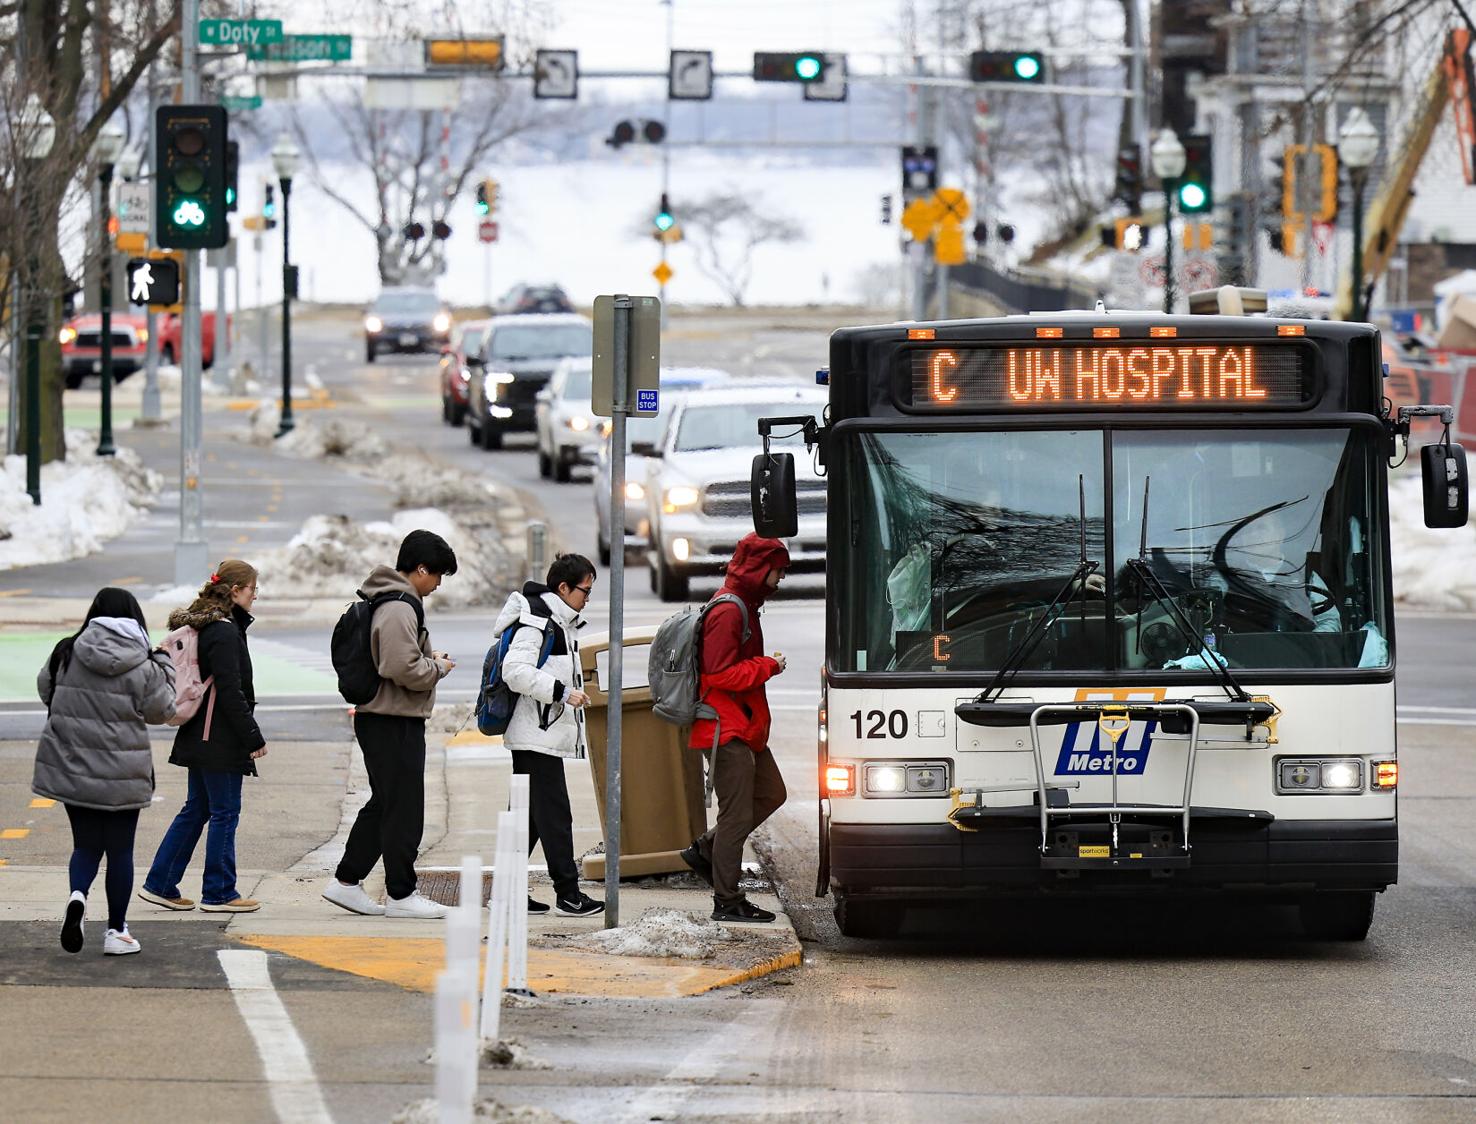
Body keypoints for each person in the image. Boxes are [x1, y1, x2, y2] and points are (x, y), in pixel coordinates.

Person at [34, 588, 176, 955]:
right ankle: (116, 932)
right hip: (122, 772)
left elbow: (45, 690)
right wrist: (166, 667)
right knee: (120, 850)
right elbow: (162, 711)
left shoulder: (68, 649)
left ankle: (78, 896)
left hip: (72, 766)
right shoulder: (144, 662)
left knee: (85, 845)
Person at [323, 530, 457, 919]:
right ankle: (401, 893)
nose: (436, 585)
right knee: (403, 808)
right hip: (392, 718)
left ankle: (346, 881)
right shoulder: (401, 604)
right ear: (420, 569)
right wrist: (437, 668)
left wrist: (428, 655)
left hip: (382, 717)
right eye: (437, 575)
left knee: (385, 803)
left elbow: (395, 654)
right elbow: (398, 666)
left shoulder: (387, 598)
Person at [139, 560, 268, 914]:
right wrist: (252, 736)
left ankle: (161, 883)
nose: (255, 596)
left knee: (197, 809)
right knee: (225, 812)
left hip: (200, 733)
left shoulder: (208, 626)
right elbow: (231, 691)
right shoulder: (224, 632)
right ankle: (220, 891)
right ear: (235, 591)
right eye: (252, 589)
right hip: (218, 736)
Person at [680, 534, 790, 924]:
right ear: (762, 570)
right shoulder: (730, 611)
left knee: (772, 793)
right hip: (726, 728)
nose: (780, 581)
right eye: (778, 572)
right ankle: (727, 900)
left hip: (745, 725)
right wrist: (767, 666)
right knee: (736, 818)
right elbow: (719, 672)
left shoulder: (745, 604)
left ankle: (706, 851)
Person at [492, 553, 604, 918]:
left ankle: (506, 893)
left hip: (538, 732)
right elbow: (515, 670)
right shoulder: (539, 621)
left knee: (528, 818)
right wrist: (561, 691)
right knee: (555, 815)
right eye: (584, 591)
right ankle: (569, 894)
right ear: (563, 587)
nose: (587, 598)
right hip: (534, 733)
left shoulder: (558, 620)